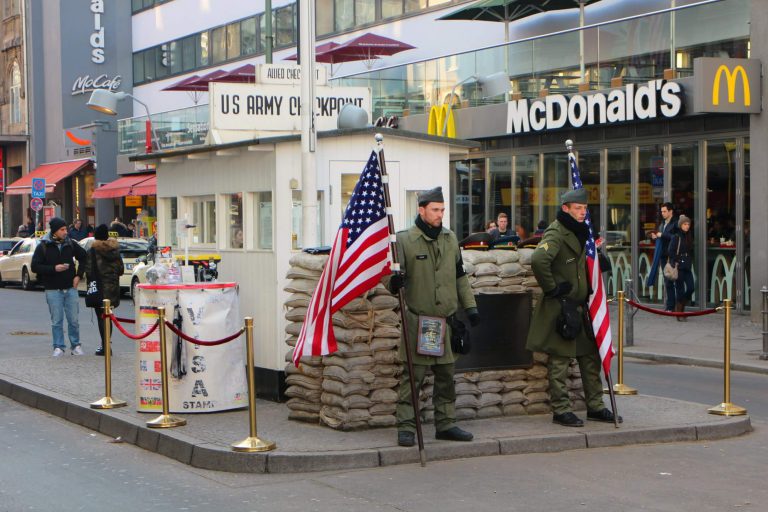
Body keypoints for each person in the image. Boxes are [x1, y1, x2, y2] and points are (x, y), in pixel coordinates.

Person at [388, 186, 480, 447]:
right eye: (435, 210)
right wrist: (393, 282)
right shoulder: (404, 240)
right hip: (421, 322)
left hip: (447, 322)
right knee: (413, 377)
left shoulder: (450, 239)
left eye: (442, 210)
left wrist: (470, 307)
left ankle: (446, 424)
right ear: (421, 210)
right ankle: (406, 425)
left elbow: (460, 275)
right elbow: (389, 272)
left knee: (445, 377)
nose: (440, 214)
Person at [526, 189, 621, 427]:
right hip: (562, 306)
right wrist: (552, 288)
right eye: (578, 208)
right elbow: (539, 259)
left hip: (582, 306)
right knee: (560, 360)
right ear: (566, 208)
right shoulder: (557, 231)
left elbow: (584, 260)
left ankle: (596, 406)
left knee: (590, 359)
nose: (582, 213)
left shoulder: (583, 232)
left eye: (584, 209)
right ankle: (561, 410)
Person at [31, 217, 87, 357]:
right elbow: (35, 266)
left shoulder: (70, 243)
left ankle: (76, 345)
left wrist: (78, 275)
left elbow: (84, 256)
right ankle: (59, 347)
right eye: (62, 230)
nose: (65, 232)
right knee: (57, 320)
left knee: (73, 320)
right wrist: (54, 269)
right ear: (54, 231)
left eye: (65, 229)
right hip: (53, 289)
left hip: (70, 288)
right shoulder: (43, 246)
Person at [84, 225, 125, 355]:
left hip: (100, 288)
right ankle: (107, 345)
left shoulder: (93, 251)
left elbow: (89, 271)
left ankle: (105, 347)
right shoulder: (115, 250)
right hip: (112, 288)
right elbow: (121, 270)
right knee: (108, 316)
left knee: (101, 317)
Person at [650, 202, 679, 312]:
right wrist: (655, 236)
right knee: (667, 281)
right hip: (663, 256)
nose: (662, 213)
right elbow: (661, 237)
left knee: (674, 280)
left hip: (672, 256)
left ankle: (675, 305)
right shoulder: (662, 224)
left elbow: (676, 238)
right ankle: (670, 306)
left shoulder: (676, 223)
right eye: (661, 211)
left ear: (671, 211)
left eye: (664, 211)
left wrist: (661, 235)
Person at [671, 215, 694, 321]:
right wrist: (677, 261)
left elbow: (690, 250)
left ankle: (680, 307)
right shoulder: (676, 236)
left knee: (691, 287)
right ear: (680, 225)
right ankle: (679, 312)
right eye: (685, 224)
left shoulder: (689, 236)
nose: (687, 226)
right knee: (679, 290)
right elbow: (671, 250)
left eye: (688, 224)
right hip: (679, 266)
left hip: (687, 266)